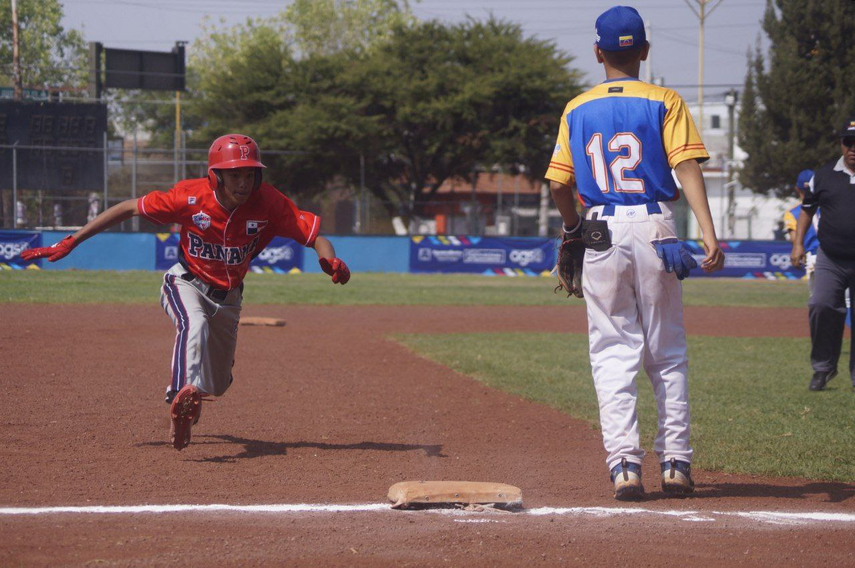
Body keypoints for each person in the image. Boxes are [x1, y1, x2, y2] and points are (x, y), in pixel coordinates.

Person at [21, 134, 351, 450]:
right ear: (216, 176)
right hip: (186, 282)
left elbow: (315, 236)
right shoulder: (189, 198)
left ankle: (194, 395)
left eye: (249, 174)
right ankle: (180, 391)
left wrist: (329, 258)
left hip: (230, 299)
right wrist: (71, 240)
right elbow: (128, 207)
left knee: (219, 385)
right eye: (234, 174)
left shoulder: (270, 204)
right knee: (194, 324)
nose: (243, 183)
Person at [545, 6, 724, 500]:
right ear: (644, 50)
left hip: (600, 226)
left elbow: (559, 183)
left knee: (612, 350)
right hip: (656, 226)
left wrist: (573, 229)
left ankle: (624, 464)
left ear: (597, 52)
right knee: (666, 351)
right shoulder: (664, 99)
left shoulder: (576, 108)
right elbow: (686, 166)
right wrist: (708, 232)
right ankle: (677, 463)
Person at [792, 118, 855, 392]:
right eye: (848, 142)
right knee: (820, 305)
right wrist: (797, 244)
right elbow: (806, 209)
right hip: (831, 257)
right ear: (841, 144)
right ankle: (823, 368)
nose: (853, 148)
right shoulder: (824, 175)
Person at [783, 170, 818, 290]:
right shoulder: (830, 206)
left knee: (819, 300)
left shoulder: (792, 213)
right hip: (834, 255)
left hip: (812, 258)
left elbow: (794, 239)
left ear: (797, 189)